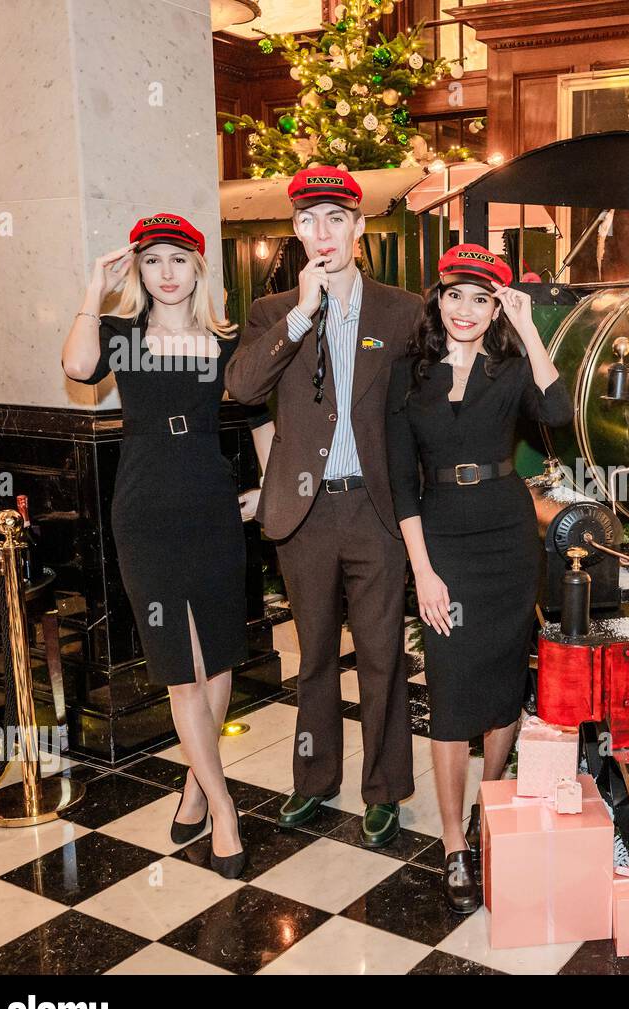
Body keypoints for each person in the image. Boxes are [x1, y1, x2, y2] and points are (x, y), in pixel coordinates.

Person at [61, 213, 273, 879]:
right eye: (152, 261)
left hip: (210, 500)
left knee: (217, 661)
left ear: (198, 268)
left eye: (178, 260)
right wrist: (94, 289)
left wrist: (270, 489)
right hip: (146, 507)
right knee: (181, 667)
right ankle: (224, 806)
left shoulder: (222, 338)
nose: (167, 273)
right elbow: (76, 365)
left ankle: (193, 786)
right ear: (139, 272)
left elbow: (262, 406)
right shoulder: (121, 336)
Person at [225, 166, 423, 846]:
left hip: (375, 509)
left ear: (361, 226)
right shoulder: (272, 310)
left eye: (336, 219)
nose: (322, 233)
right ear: (295, 230)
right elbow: (244, 388)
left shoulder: (403, 311)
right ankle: (313, 780)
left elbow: (423, 406)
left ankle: (385, 788)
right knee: (312, 655)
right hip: (304, 515)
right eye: (308, 221)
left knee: (380, 655)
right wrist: (302, 313)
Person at [387, 244, 573, 913]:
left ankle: (487, 806)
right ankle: (451, 841)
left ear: (497, 306)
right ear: (438, 299)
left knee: (500, 686)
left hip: (507, 536)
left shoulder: (511, 365)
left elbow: (557, 414)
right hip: (442, 539)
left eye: (482, 298)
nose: (466, 310)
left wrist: (528, 326)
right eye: (455, 295)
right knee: (449, 688)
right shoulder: (408, 374)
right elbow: (400, 486)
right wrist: (424, 573)